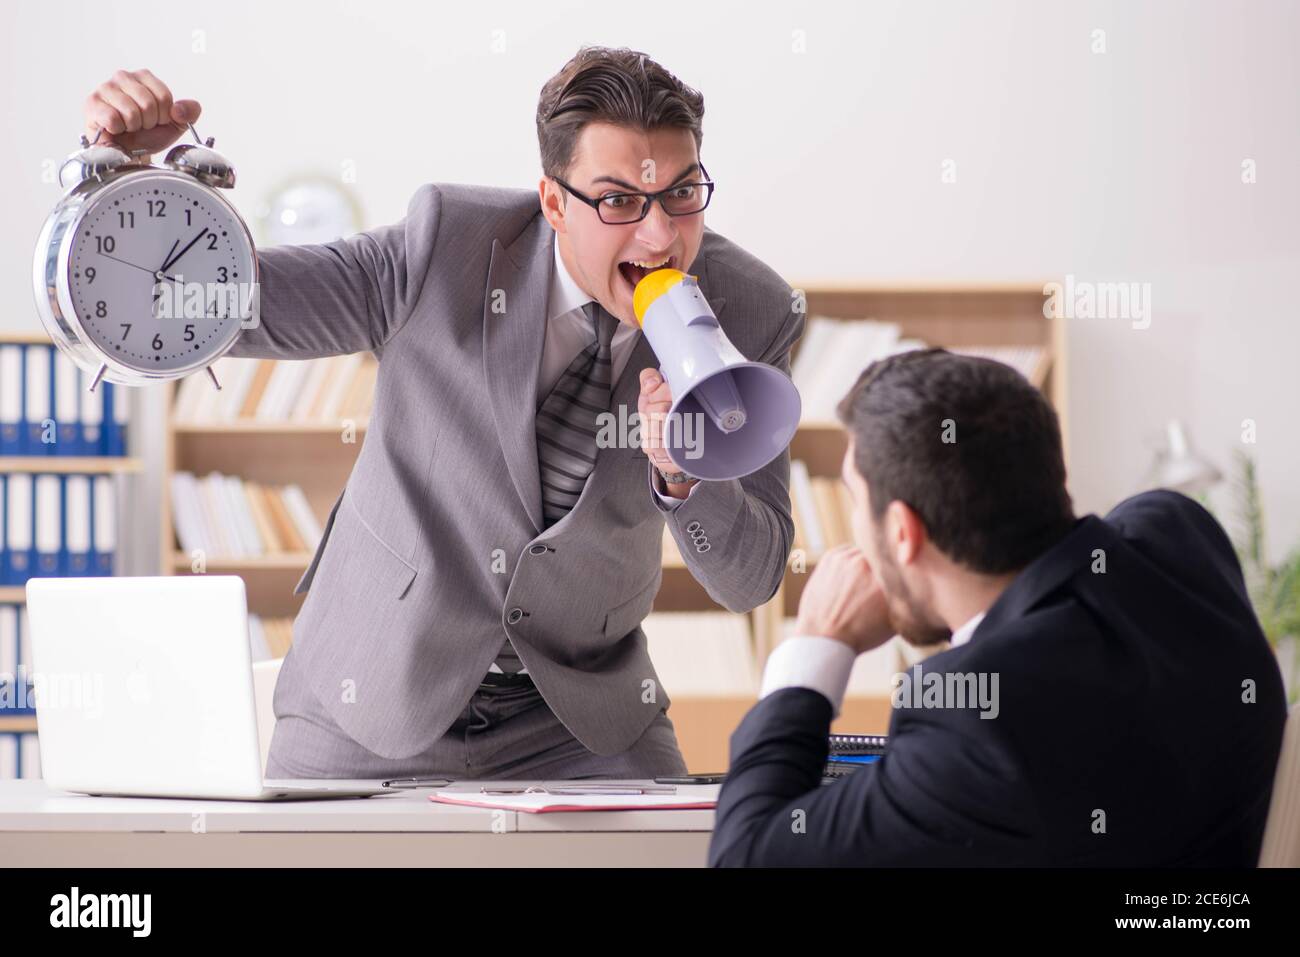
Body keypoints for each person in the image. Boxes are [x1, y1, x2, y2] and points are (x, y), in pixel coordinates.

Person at [82, 48, 802, 778]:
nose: (660, 237)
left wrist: (687, 471)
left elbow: (751, 580)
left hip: (575, 719)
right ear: (554, 203)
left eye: (682, 194)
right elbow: (217, 307)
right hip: (370, 692)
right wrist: (134, 189)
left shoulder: (752, 311)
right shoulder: (445, 245)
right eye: (618, 201)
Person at [710, 348, 1288, 866]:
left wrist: (818, 645)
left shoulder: (975, 730)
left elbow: (744, 855)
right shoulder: (1178, 537)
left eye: (855, 501)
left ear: (904, 533)